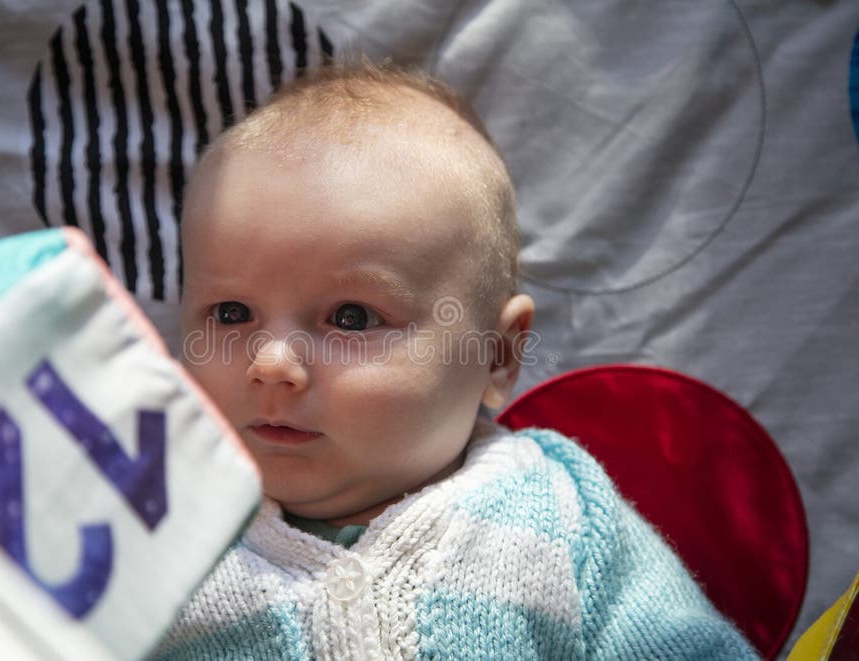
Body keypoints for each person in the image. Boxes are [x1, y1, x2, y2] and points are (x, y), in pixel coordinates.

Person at [154, 60, 758, 659]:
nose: (272, 363)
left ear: (496, 355)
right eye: (231, 313)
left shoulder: (563, 514)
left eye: (352, 318)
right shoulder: (153, 526)